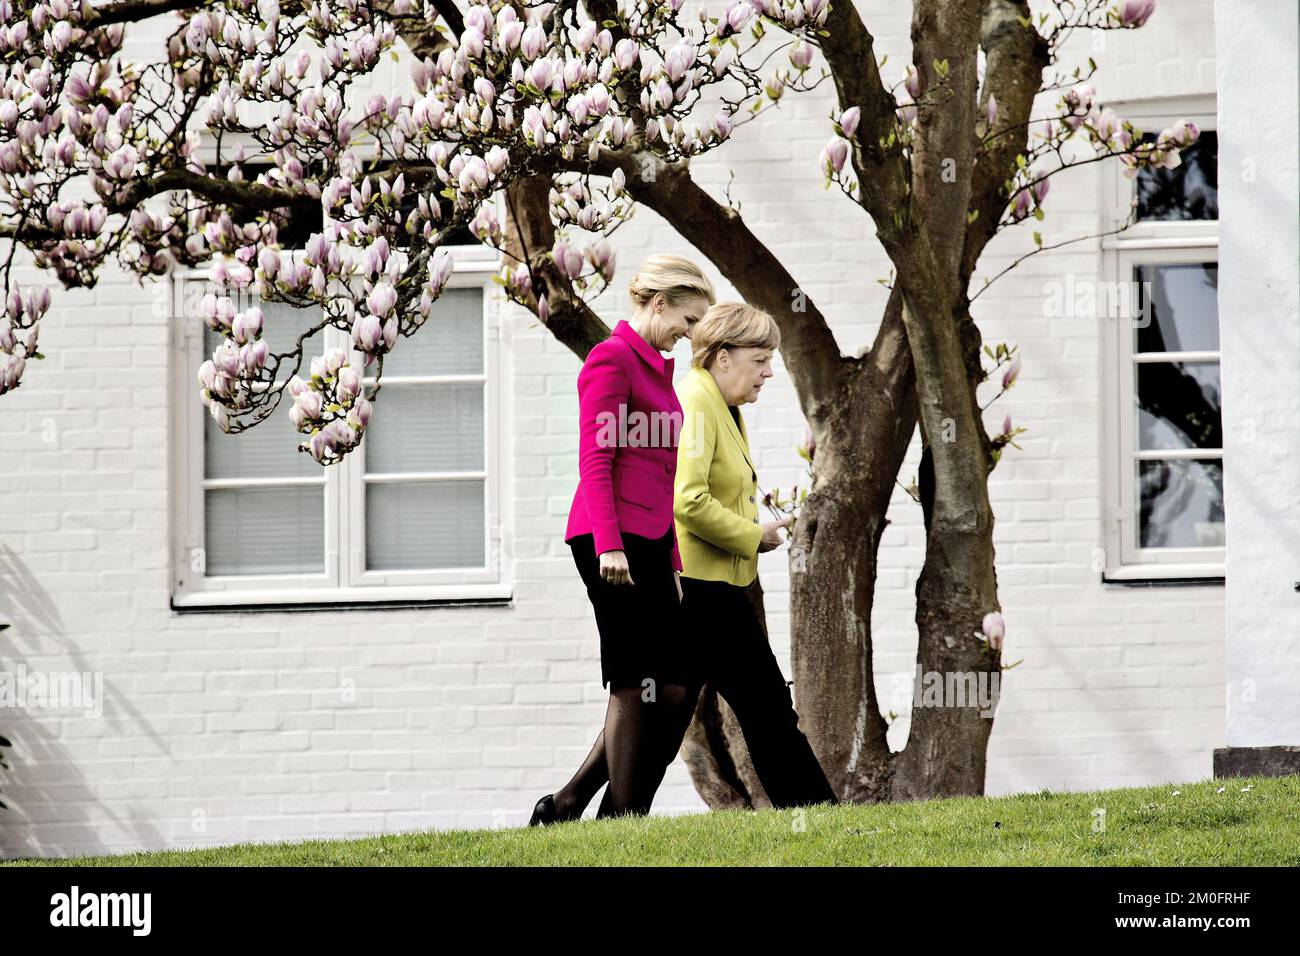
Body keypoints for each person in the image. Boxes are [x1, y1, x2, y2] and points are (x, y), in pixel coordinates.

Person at [531, 301, 836, 824]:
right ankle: (820, 816)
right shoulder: (696, 402)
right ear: (722, 357)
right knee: (760, 708)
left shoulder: (718, 403)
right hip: (698, 585)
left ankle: (576, 809)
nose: (768, 371)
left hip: (707, 582)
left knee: (665, 714)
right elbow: (686, 499)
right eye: (760, 359)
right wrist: (751, 535)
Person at [529, 254, 715, 824]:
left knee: (679, 685)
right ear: (658, 304)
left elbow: (663, 475)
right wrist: (610, 545)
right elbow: (596, 459)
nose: (689, 336)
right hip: (608, 539)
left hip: (652, 541)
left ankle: (568, 804)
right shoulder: (611, 360)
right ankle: (624, 820)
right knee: (637, 679)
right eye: (687, 321)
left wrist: (674, 558)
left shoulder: (656, 369)